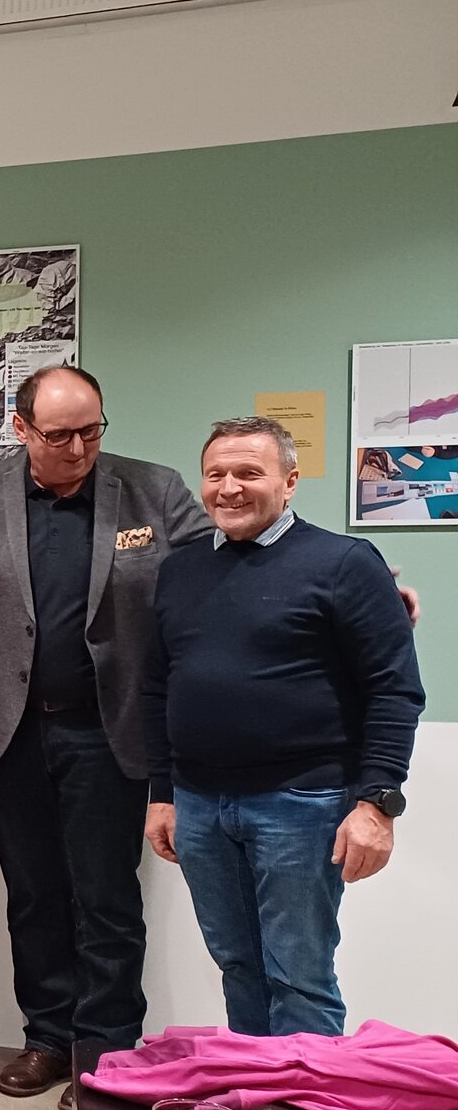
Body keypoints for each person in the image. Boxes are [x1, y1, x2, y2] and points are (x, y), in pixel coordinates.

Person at [0, 365, 209, 1110]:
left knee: (107, 899)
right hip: (13, 729)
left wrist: (364, 582)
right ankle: (47, 1036)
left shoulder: (152, 491)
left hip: (107, 728)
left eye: (91, 430)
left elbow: (225, 565)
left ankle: (106, 1051)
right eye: (59, 435)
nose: (79, 447)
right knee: (33, 895)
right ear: (20, 428)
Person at [141, 416, 423, 1037]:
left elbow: (394, 690)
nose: (230, 488)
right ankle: (258, 1106)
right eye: (216, 474)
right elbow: (159, 687)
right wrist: (163, 792)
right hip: (200, 806)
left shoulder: (346, 563)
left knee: (299, 974)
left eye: (250, 472)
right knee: (238, 965)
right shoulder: (180, 571)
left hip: (304, 803)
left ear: (290, 481)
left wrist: (378, 803)